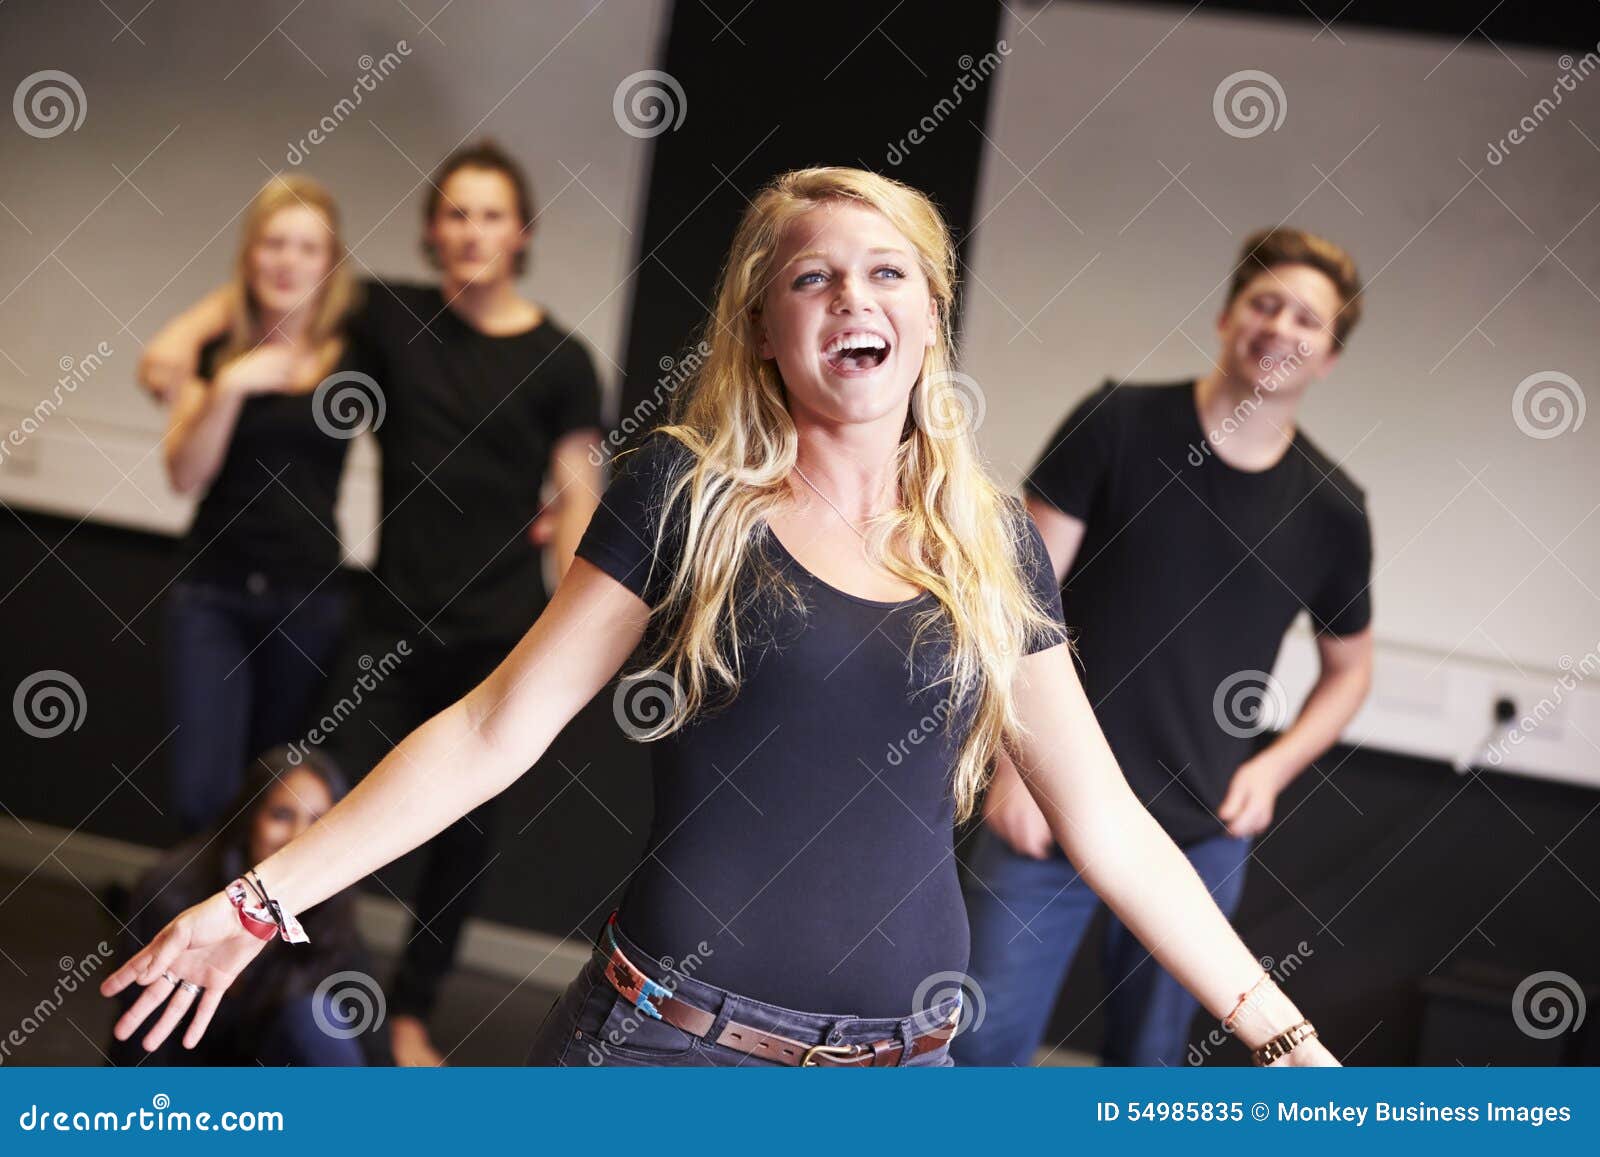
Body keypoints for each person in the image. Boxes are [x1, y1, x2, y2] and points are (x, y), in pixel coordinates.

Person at [104, 167, 1339, 1070]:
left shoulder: (990, 541)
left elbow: (1108, 822)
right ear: (765, 324)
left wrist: (1283, 1037)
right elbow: (492, 729)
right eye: (812, 276)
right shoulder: (683, 495)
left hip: (905, 1071)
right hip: (666, 1053)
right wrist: (256, 899)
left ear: (926, 311)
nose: (850, 295)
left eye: (883, 271)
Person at [138, 141, 606, 1065]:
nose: (472, 231)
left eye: (492, 215)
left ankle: (408, 1012)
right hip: (388, 625)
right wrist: (188, 357)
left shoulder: (562, 361)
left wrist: (573, 634)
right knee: (307, 795)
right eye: (456, 214)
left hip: (500, 635)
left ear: (522, 233)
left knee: (464, 837)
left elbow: (580, 499)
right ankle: (263, 977)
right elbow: (271, 298)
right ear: (434, 230)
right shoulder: (394, 321)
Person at [954, 226, 1375, 1067]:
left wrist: (1271, 768)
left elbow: (1351, 670)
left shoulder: (1333, 509)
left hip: (1201, 829)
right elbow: (1014, 600)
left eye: (1308, 319)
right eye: (1266, 302)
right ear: (1228, 316)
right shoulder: (1119, 422)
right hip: (1054, 800)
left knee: (1150, 1065)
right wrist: (1013, 765)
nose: (1281, 326)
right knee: (979, 1047)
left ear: (1327, 356)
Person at [159, 174, 368, 836]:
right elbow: (185, 474)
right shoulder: (218, 355)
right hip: (212, 594)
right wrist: (227, 388)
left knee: (277, 798)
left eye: (307, 248)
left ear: (329, 264)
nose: (287, 260)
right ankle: (183, 931)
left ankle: (261, 937)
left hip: (307, 603)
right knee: (202, 792)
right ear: (250, 255)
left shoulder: (355, 354)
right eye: (274, 243)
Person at [108, 746, 378, 1066]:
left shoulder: (333, 911)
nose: (299, 838)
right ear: (249, 819)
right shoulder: (172, 897)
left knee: (315, 1019)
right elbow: (139, 1047)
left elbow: (373, 1050)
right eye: (282, 815)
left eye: (317, 822)